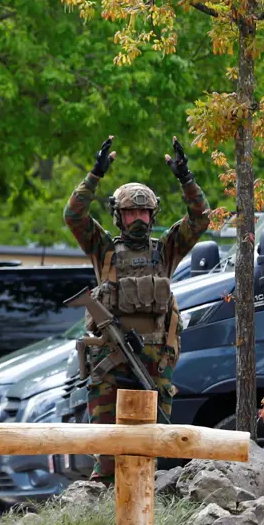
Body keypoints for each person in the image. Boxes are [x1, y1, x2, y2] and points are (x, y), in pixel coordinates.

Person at [63, 134, 210, 482]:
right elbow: (74, 214)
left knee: (150, 441)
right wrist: (95, 175)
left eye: (144, 211)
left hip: (154, 360)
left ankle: (145, 509)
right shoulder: (103, 250)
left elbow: (201, 218)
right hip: (111, 358)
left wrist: (186, 179)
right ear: (119, 216)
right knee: (106, 440)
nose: (139, 219)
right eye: (131, 213)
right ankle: (102, 504)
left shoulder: (166, 250)